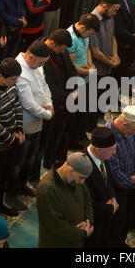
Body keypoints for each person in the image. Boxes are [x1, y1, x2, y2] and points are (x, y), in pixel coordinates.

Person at [7, 41, 54, 211]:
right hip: (24, 123)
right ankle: (11, 194)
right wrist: (47, 114)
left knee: (31, 157)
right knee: (17, 162)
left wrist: (50, 104)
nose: (42, 66)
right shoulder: (19, 70)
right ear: (31, 56)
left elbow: (45, 86)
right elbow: (27, 103)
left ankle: (22, 185)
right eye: (41, 62)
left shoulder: (36, 66)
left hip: (38, 120)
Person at [104, 105, 135, 247]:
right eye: (134, 129)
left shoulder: (128, 132)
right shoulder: (108, 136)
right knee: (116, 223)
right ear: (124, 123)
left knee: (125, 220)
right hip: (116, 188)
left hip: (131, 181)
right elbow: (114, 173)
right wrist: (133, 183)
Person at [37, 152, 94, 248]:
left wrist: (88, 221)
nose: (82, 182)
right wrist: (83, 234)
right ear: (71, 171)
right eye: (81, 178)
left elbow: (87, 200)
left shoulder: (75, 178)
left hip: (75, 241)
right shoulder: (47, 189)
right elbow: (56, 225)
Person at [0, 58, 24, 217]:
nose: (15, 82)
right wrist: (13, 140)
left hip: (12, 140)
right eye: (12, 79)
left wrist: (19, 128)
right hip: (0, 144)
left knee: (6, 177)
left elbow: (17, 105)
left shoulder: (12, 87)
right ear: (1, 76)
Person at [41, 29, 76, 169]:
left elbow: (71, 69)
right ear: (52, 43)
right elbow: (48, 84)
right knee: (51, 136)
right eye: (61, 49)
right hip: (53, 102)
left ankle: (60, 158)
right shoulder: (42, 55)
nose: (63, 52)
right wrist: (67, 96)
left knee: (64, 133)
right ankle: (49, 163)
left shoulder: (61, 51)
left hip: (67, 98)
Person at [66, 13, 100, 148]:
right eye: (90, 34)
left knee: (85, 111)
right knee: (76, 114)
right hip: (76, 80)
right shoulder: (71, 38)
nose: (90, 37)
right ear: (83, 27)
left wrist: (90, 64)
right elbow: (70, 65)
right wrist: (88, 72)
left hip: (86, 77)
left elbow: (87, 50)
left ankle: (81, 134)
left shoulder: (85, 34)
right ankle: (74, 140)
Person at [84, 127, 118, 248]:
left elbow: (108, 180)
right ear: (98, 150)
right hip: (92, 222)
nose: (115, 152)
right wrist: (109, 208)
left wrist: (113, 196)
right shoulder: (84, 167)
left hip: (104, 220)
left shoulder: (103, 156)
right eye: (112, 149)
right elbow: (86, 202)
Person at [90, 0, 121, 80]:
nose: (115, 13)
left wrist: (115, 55)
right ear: (104, 6)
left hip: (108, 68)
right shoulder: (93, 21)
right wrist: (111, 63)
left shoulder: (109, 17)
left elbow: (113, 37)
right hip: (97, 71)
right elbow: (95, 52)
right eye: (114, 10)